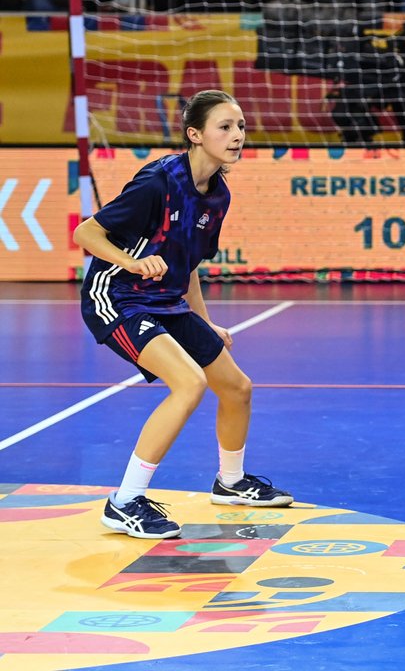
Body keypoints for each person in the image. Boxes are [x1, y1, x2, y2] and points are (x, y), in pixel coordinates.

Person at [74, 90, 293, 539]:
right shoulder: (157, 182)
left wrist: (204, 321)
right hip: (117, 296)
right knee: (189, 383)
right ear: (194, 135)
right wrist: (133, 262)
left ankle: (230, 483)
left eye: (240, 127)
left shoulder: (218, 195)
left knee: (236, 387)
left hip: (166, 300)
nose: (236, 136)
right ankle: (124, 502)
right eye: (225, 127)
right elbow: (87, 232)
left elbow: (187, 263)